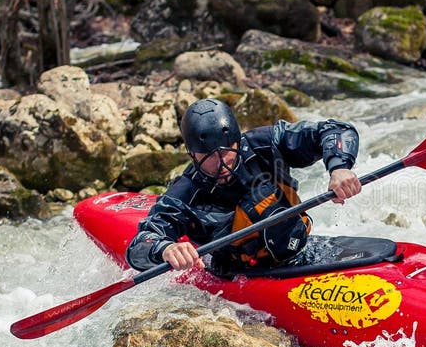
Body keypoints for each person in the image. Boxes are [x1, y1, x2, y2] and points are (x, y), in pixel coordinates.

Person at [125, 98, 362, 274]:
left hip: (301, 250)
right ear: (191, 154)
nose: (220, 164)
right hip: (240, 275)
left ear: (237, 142)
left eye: (226, 152)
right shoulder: (185, 194)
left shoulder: (266, 144)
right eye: (208, 157)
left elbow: (336, 129)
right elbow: (139, 245)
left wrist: (339, 166)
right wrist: (166, 249)